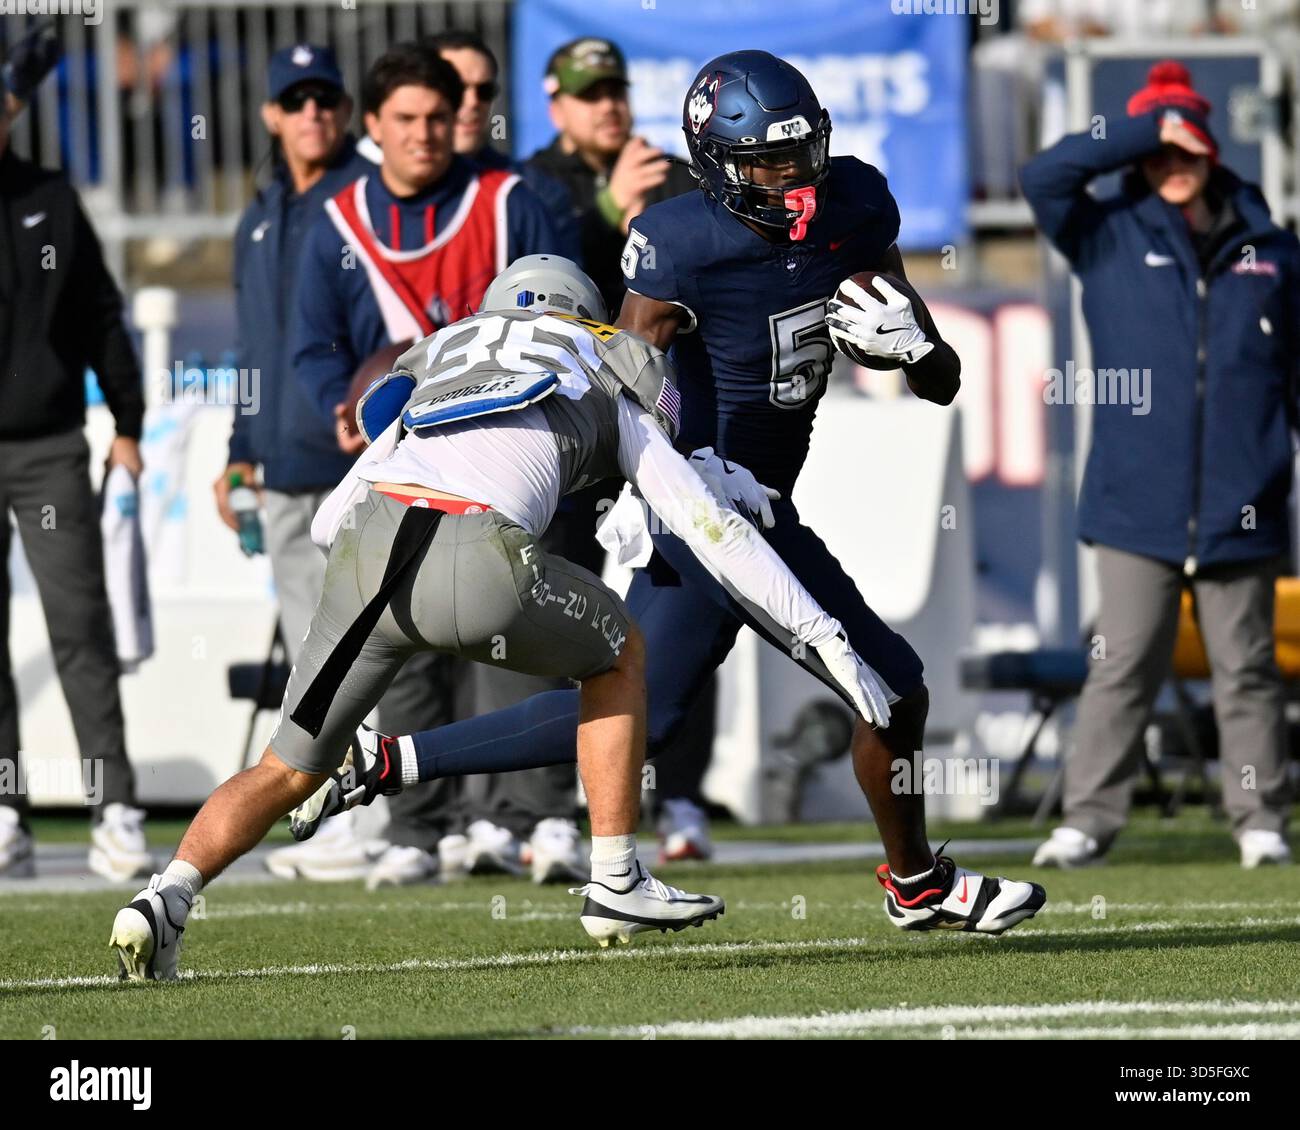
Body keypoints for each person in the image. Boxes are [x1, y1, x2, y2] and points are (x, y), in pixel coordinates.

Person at [300, 52, 1048, 936]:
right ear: (721, 169)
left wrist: (917, 347)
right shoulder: (679, 244)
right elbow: (614, 383)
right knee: (893, 686)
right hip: (711, 510)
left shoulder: (856, 205)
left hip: (762, 502)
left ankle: (387, 763)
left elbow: (944, 383)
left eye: (805, 152)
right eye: (770, 163)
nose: (796, 178)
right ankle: (917, 884)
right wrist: (655, 480)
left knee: (643, 718)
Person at [108, 254, 892, 978]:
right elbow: (709, 529)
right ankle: (616, 878)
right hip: (476, 555)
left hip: (365, 554)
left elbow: (327, 523)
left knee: (285, 768)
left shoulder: (443, 355)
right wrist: (821, 635)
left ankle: (164, 897)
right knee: (619, 649)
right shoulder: (605, 359)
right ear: (585, 315)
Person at [269, 42, 560, 889]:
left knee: (515, 632)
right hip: (398, 456)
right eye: (405, 119)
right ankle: (417, 829)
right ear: (373, 127)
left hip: (509, 447)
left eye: (438, 117)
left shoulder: (509, 203)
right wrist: (344, 404)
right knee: (402, 639)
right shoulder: (335, 222)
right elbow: (313, 347)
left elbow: (573, 306)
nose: (424, 134)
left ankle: (530, 818)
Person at [1021, 61, 1297, 869]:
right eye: (1157, 154)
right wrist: (1148, 127)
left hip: (1241, 502)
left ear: (1213, 152)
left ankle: (1259, 822)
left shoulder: (1275, 251)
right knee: (1121, 666)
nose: (1171, 166)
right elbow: (1043, 174)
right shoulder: (1105, 233)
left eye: (1186, 149)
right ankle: (1088, 822)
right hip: (1134, 506)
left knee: (1247, 671)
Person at [0, 61, 151, 880]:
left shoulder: (49, 197)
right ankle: (3, 809)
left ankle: (116, 805)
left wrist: (127, 422)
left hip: (49, 444)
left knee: (80, 629)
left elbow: (100, 314)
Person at [215, 45, 369, 665]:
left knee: (373, 664)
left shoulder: (368, 202)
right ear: (270, 115)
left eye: (325, 98)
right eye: (295, 101)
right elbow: (253, 347)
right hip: (280, 477)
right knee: (313, 674)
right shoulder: (258, 217)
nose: (312, 113)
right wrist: (239, 455)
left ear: (348, 109)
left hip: (356, 467)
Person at [528, 37, 696, 317]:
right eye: (590, 96)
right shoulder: (534, 181)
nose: (608, 106)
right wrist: (610, 207)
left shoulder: (671, 172)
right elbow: (540, 272)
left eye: (616, 92)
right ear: (556, 112)